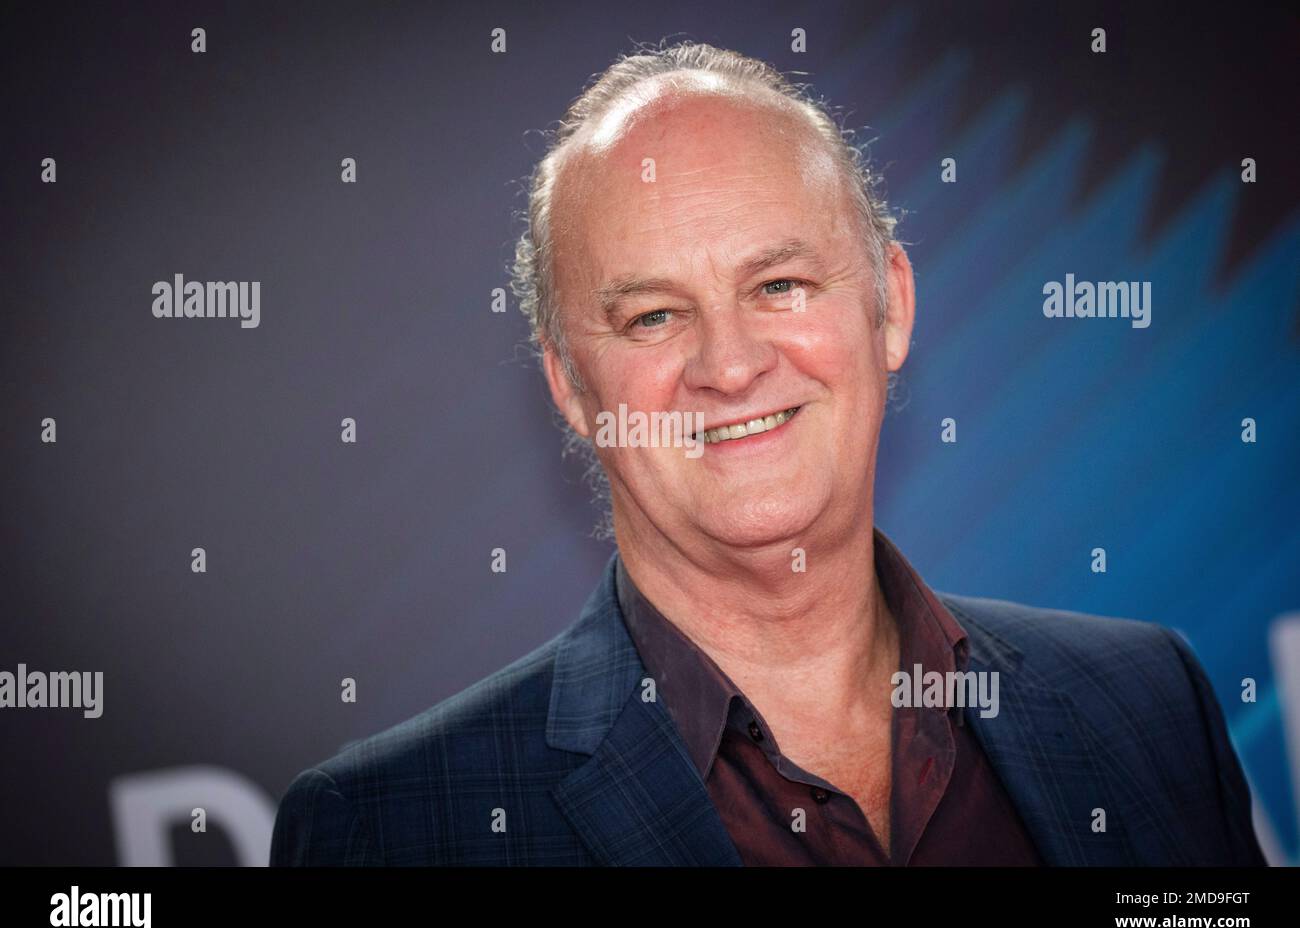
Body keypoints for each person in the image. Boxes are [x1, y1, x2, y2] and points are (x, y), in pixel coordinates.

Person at [271, 42, 1265, 866]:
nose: (732, 364)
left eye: (779, 285)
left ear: (891, 305)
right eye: (654, 314)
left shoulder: (1144, 704)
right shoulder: (394, 830)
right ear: (570, 384)